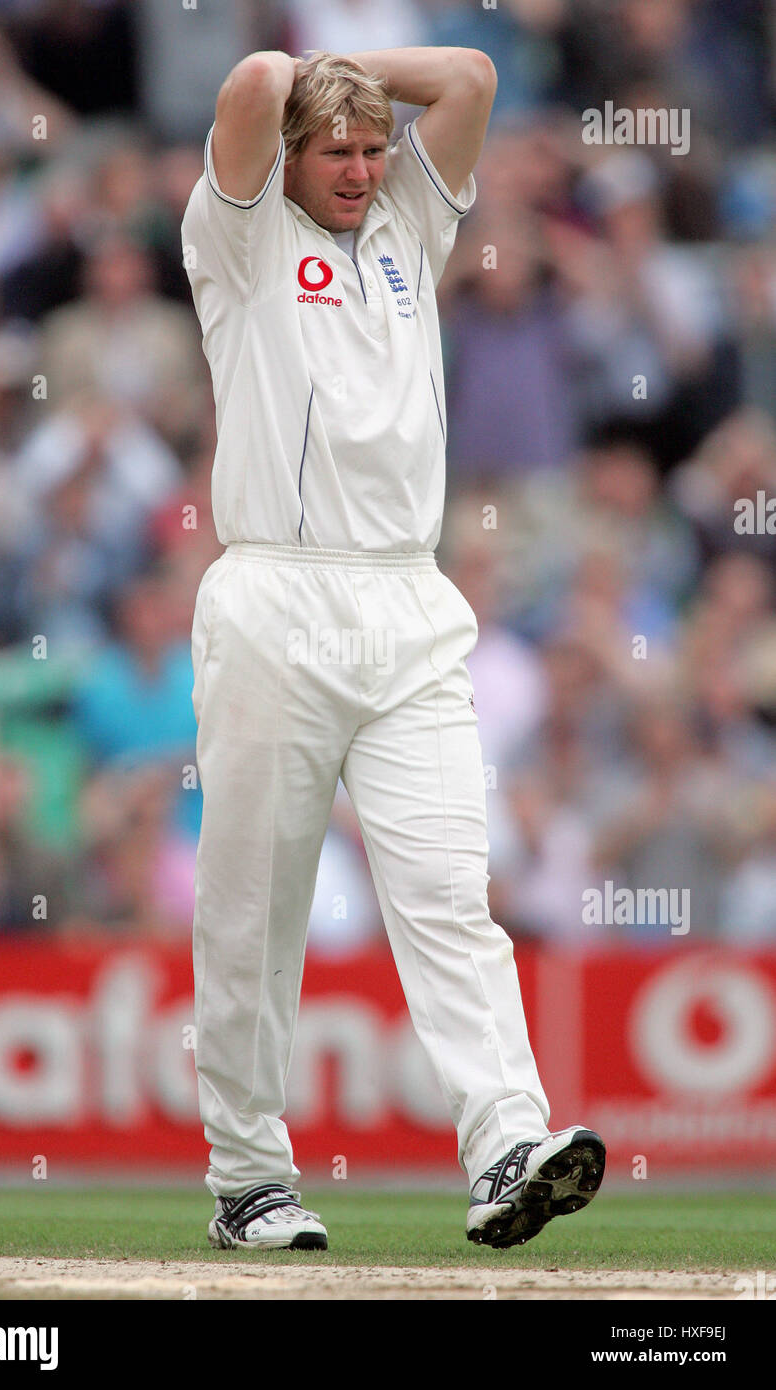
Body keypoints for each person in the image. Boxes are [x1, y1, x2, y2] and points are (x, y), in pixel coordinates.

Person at [181, 46, 605, 1252]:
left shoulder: (410, 223)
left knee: (448, 895)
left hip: (408, 606)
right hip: (275, 591)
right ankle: (250, 1179)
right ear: (293, 155)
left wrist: (361, 90)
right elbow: (256, 77)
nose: (366, 171)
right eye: (339, 152)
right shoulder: (238, 235)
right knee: (254, 911)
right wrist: (317, 83)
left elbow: (468, 75)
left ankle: (505, 1146)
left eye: (375, 149)